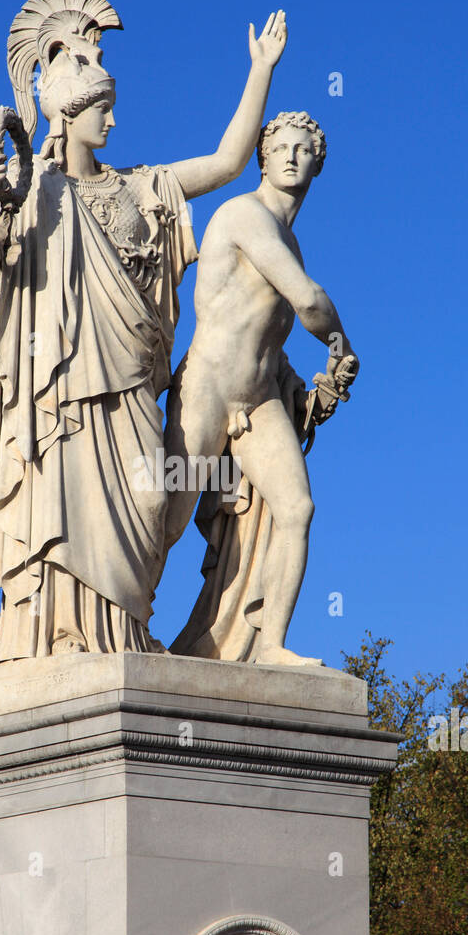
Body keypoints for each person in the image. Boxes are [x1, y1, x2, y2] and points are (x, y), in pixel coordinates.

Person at [0, 0, 287, 660]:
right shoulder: (36, 192)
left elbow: (226, 162)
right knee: (66, 512)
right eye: (101, 110)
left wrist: (261, 70)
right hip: (64, 393)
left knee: (143, 514)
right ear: (70, 114)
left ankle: (125, 633)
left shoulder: (144, 184)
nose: (111, 121)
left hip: (134, 387)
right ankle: (63, 636)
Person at [164, 111, 358, 667]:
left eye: (304, 149)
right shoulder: (244, 215)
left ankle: (269, 645)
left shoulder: (288, 240)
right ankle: (129, 625)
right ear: (262, 158)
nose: (293, 156)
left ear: (318, 163)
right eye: (282, 148)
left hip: (260, 398)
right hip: (206, 387)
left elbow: (272, 342)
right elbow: (310, 301)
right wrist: (343, 345)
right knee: (170, 513)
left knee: (297, 509)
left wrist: (303, 391)